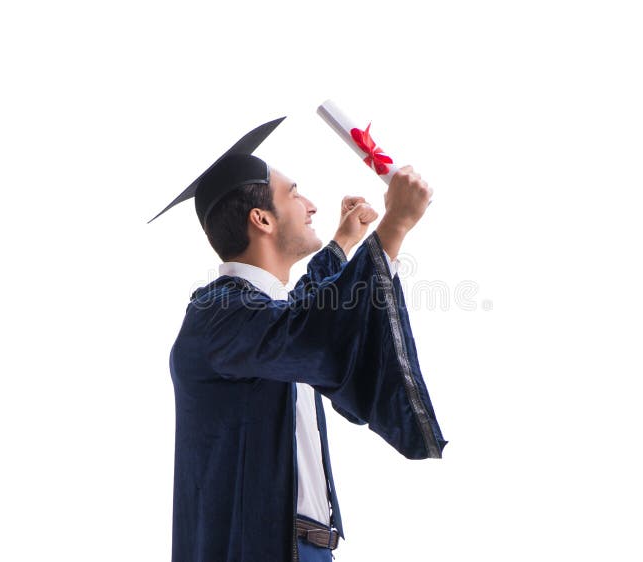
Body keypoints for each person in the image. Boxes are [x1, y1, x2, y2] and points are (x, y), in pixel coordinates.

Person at [150, 117, 447, 562]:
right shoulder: (215, 315)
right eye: (294, 193)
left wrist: (343, 244)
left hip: (307, 548)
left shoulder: (259, 321)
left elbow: (299, 321)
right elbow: (310, 333)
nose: (310, 205)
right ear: (262, 219)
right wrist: (394, 228)